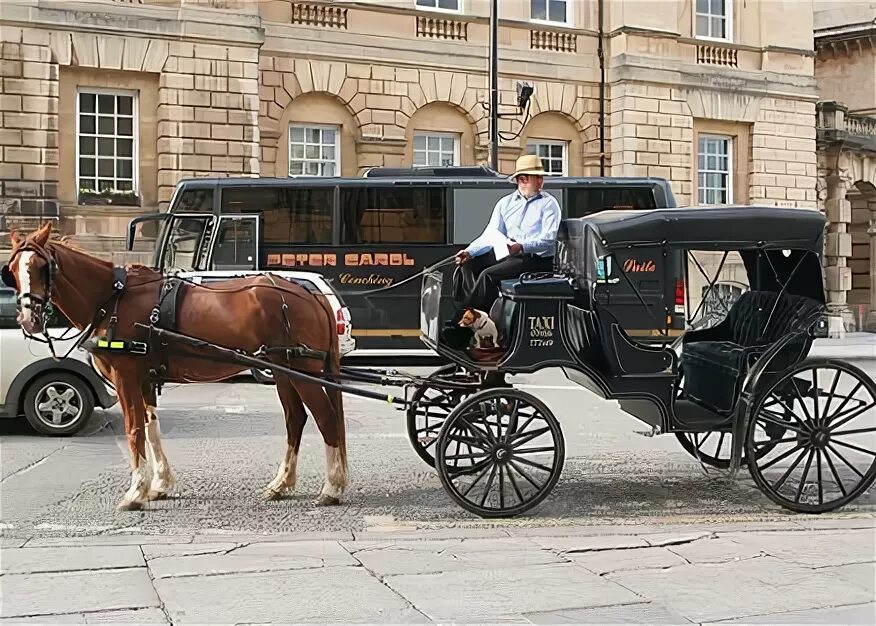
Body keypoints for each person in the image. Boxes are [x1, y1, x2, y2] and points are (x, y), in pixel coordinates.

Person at [452, 153, 561, 313]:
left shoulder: (549, 204)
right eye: (537, 177)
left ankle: (471, 316)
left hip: (535, 260)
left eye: (540, 177)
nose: (541, 181)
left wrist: (521, 246)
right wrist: (469, 252)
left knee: (488, 275)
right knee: (469, 264)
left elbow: (548, 239)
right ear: (521, 179)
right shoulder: (505, 203)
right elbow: (490, 234)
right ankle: (471, 311)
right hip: (510, 255)